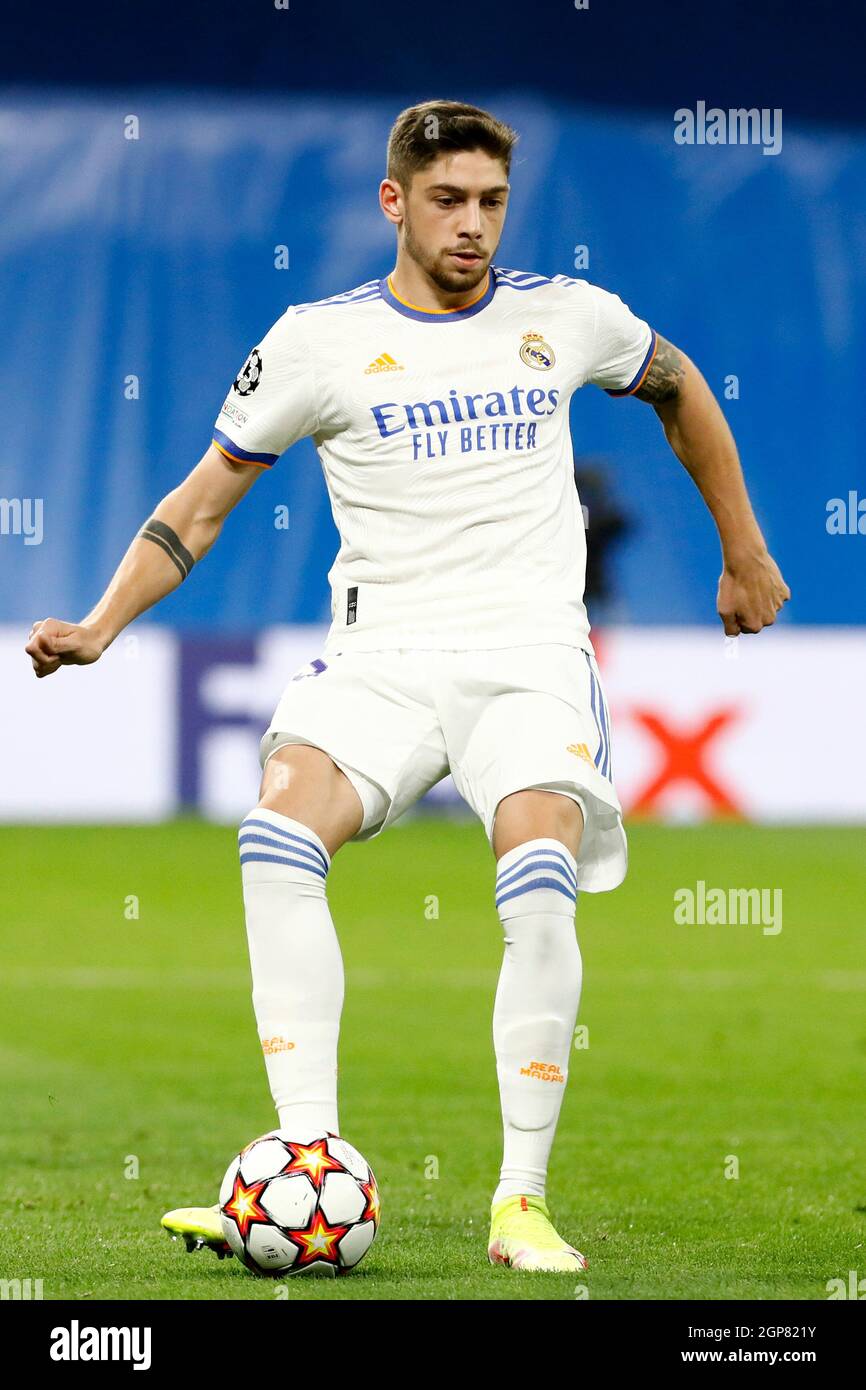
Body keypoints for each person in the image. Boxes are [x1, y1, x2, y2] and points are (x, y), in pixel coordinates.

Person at [25, 99, 790, 1274]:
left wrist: (741, 550)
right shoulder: (316, 342)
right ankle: (306, 1158)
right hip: (379, 657)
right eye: (447, 200)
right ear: (394, 202)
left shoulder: (563, 318)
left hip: (528, 657)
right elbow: (196, 508)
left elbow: (680, 386)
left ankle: (519, 1202)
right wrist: (100, 625)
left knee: (533, 867)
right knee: (276, 834)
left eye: (489, 199)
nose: (472, 223)